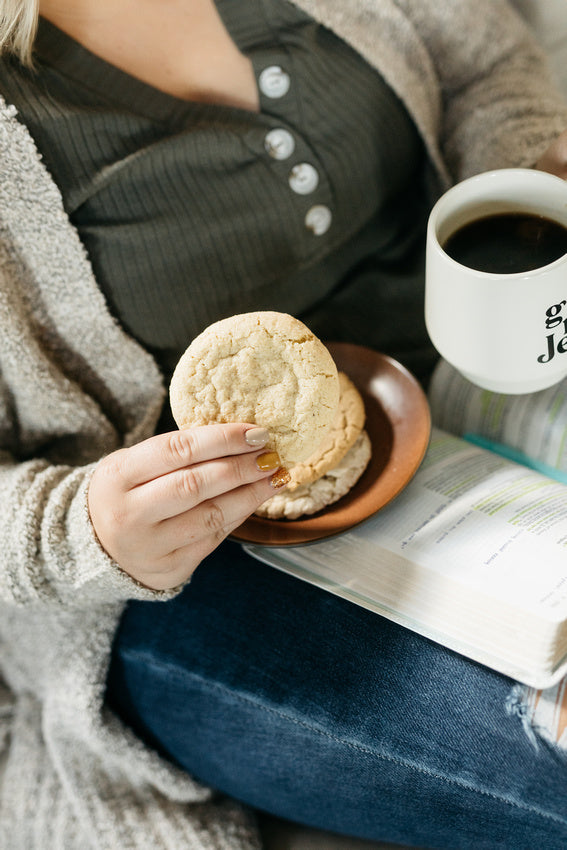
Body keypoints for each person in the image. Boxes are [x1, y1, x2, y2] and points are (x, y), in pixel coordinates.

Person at [0, 1, 567, 848]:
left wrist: (528, 184)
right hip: (197, 570)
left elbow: (479, 61)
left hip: (473, 393)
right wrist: (72, 529)